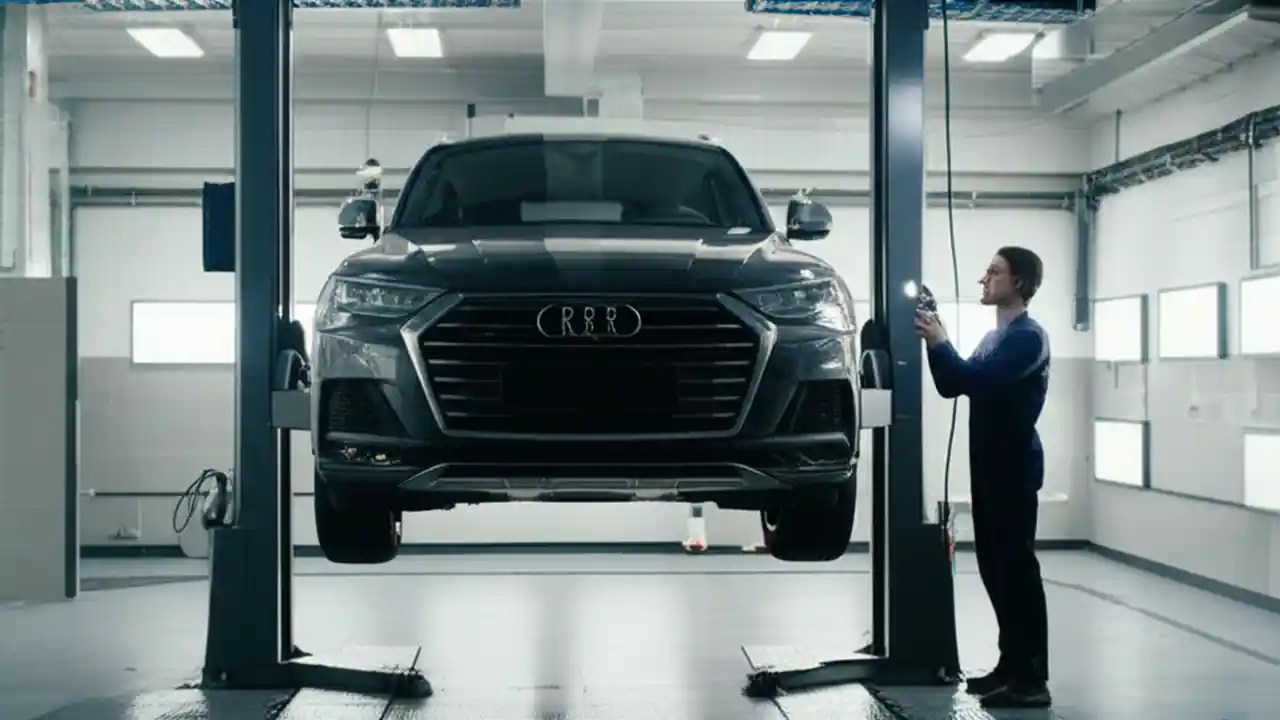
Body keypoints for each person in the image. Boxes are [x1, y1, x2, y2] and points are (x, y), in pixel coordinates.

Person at [913, 246, 1052, 709]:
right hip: (989, 470)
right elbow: (954, 382)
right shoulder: (993, 339)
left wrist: (939, 340)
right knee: (996, 571)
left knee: (1016, 572)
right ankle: (1009, 667)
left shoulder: (1027, 339)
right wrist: (938, 339)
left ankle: (1032, 680)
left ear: (1019, 283)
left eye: (995, 272)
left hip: (1012, 472)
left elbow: (980, 382)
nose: (984, 278)